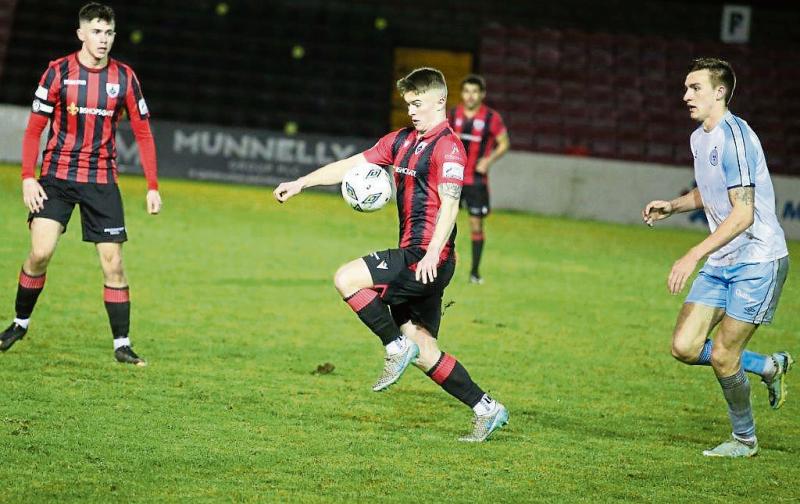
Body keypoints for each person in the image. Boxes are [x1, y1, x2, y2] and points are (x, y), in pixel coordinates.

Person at [274, 67, 508, 442]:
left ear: (439, 101)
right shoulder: (401, 140)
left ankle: (393, 346)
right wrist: (301, 182)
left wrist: (432, 252)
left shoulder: (449, 146)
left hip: (427, 256)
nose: (412, 110)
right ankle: (486, 408)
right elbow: (352, 164)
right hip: (420, 256)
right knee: (425, 350)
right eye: (408, 104)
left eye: (418, 103)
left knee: (346, 278)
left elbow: (450, 204)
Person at [642, 58, 791, 458]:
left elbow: (742, 213)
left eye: (695, 88)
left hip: (758, 260)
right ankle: (767, 366)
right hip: (724, 259)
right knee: (685, 347)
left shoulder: (735, 138)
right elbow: (710, 192)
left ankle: (744, 439)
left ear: (720, 91)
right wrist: (672, 206)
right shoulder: (700, 138)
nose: (685, 95)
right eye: (686, 88)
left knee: (724, 354)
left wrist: (692, 253)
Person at [0, 2, 161, 366]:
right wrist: (28, 177)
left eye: (108, 33)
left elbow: (143, 133)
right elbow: (34, 130)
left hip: (101, 181)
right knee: (40, 253)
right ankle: (19, 324)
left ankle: (122, 344)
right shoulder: (58, 72)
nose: (103, 40)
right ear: (81, 34)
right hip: (56, 177)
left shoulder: (125, 78)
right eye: (96, 32)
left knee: (114, 264)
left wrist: (152, 185)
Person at [448, 74, 510, 284]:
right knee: (444, 222)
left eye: (475, 92)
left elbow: (504, 143)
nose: (470, 96)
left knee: (476, 225)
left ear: (482, 94)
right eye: (466, 91)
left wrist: (488, 160)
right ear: (462, 93)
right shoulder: (453, 114)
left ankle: (474, 273)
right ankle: (440, 267)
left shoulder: (491, 118)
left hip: (476, 181)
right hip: (452, 179)